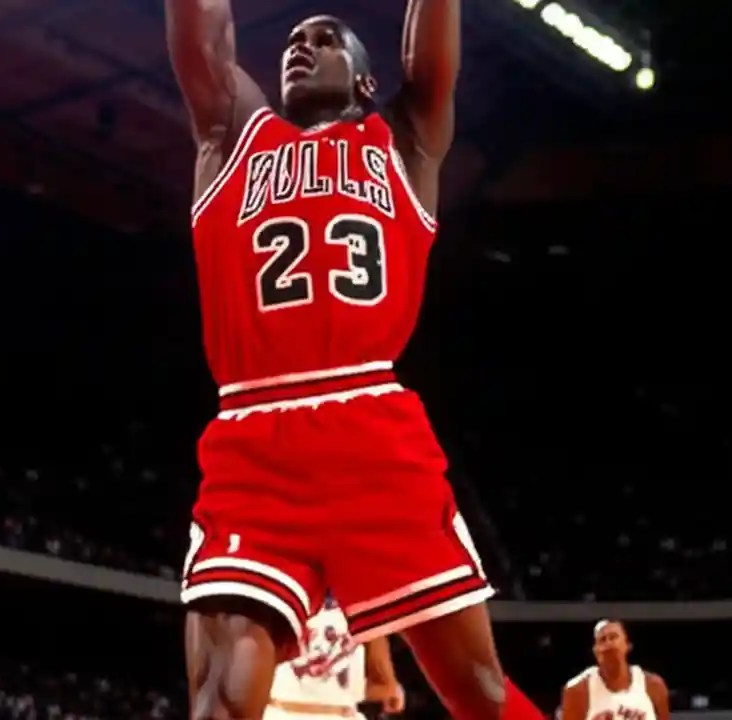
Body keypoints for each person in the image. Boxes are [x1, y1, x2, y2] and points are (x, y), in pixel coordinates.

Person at [164, 0, 550, 716]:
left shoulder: (405, 141)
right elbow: (204, 36)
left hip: (369, 421)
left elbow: (433, 59)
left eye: (323, 40)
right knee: (220, 694)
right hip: (253, 434)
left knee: (477, 690)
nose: (299, 49)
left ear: (367, 83)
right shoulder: (234, 133)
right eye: (292, 41)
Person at [265, 596, 404, 720]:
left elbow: (386, 688)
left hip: (282, 710)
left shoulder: (278, 595)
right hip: (333, 712)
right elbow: (386, 689)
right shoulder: (364, 605)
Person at [560, 620, 669, 720]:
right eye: (602, 639)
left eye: (613, 637)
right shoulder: (578, 690)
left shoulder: (653, 685)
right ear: (595, 651)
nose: (608, 643)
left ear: (628, 645)